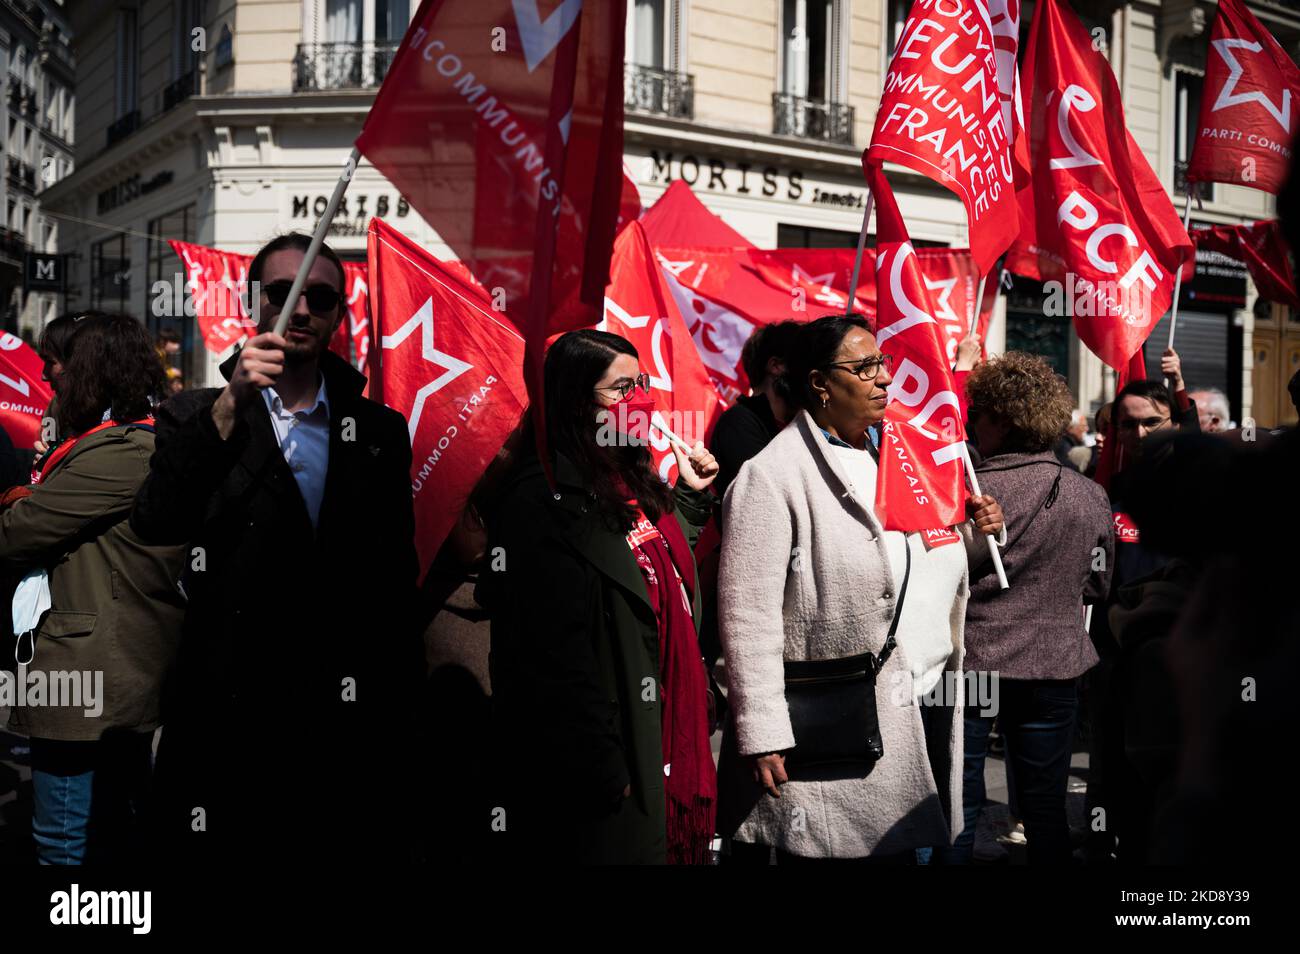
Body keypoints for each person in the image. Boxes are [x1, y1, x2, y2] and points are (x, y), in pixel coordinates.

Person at [131, 233, 423, 863]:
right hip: (227, 726)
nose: (301, 309)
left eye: (319, 297)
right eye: (282, 293)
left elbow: (395, 583)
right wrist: (232, 404)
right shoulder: (193, 414)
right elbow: (155, 521)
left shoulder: (376, 430)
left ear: (338, 316)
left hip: (338, 732)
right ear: (253, 305)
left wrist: (397, 720)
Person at [717, 314, 1004, 862]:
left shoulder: (898, 452)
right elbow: (747, 615)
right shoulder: (770, 475)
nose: (883, 379)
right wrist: (762, 730)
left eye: (883, 363)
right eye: (865, 366)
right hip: (839, 714)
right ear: (821, 383)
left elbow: (918, 557)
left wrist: (975, 532)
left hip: (923, 698)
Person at [474, 329, 721, 865]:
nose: (640, 400)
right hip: (607, 765)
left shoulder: (632, 479)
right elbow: (548, 656)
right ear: (575, 401)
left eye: (642, 383)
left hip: (658, 739)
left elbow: (658, 572)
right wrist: (600, 764)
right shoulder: (542, 501)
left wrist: (689, 500)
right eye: (620, 388)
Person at [0, 314, 187, 863]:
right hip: (101, 668)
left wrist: (21, 498)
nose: (47, 372)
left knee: (63, 840)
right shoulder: (99, 445)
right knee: (108, 829)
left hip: (88, 671)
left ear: (90, 368)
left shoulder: (121, 451)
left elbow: (16, 535)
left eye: (57, 359)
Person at [947, 353, 1115, 865]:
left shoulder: (966, 490)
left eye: (979, 411)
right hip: (1054, 664)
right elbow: (1098, 582)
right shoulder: (1091, 495)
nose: (972, 420)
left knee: (959, 798)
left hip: (972, 662)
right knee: (1045, 803)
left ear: (1001, 419)